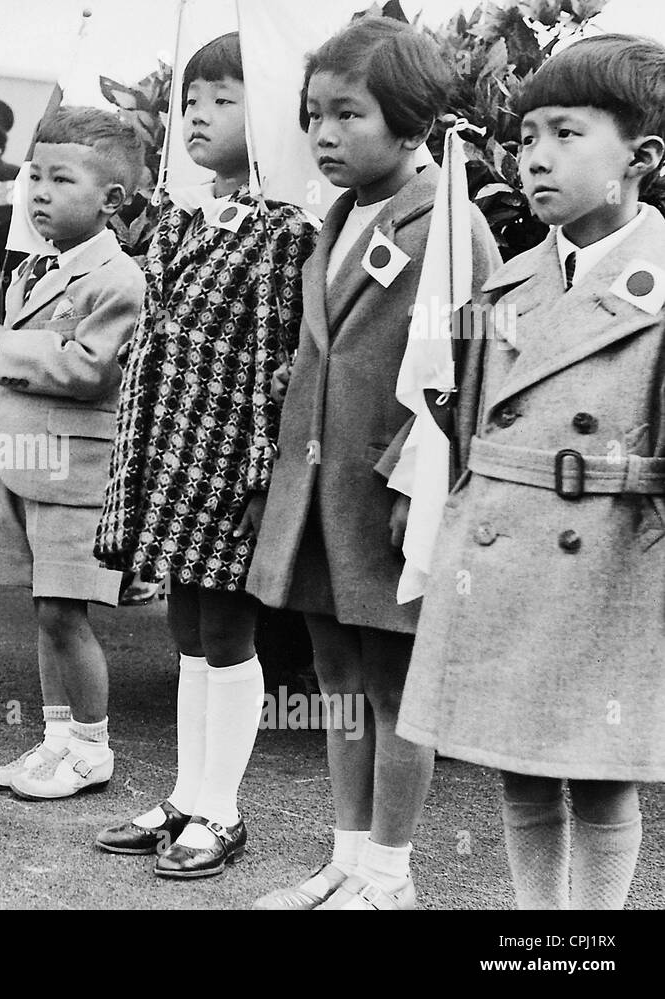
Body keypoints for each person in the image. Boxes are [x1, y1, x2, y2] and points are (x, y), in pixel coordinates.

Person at [397, 34, 665, 911]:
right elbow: (463, 422)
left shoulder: (657, 291)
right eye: (526, 136)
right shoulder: (509, 289)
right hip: (500, 551)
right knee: (515, 767)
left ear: (642, 157)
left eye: (566, 134)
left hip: (618, 559)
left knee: (596, 773)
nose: (535, 157)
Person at [246, 16, 500, 910]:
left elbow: (470, 369)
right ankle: (347, 859)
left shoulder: (452, 222)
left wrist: (409, 477)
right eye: (313, 114)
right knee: (335, 684)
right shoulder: (341, 216)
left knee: (394, 693)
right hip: (317, 492)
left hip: (392, 498)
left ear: (412, 121)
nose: (322, 134)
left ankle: (391, 874)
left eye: (347, 115)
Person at [93, 33, 317, 877]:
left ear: (268, 119)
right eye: (191, 102)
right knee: (185, 629)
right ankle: (188, 794)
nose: (198, 117)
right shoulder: (188, 217)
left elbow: (276, 359)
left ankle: (221, 810)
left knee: (227, 632)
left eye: (224, 102)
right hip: (169, 447)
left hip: (226, 459)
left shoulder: (279, 231)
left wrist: (263, 476)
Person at [0, 106, 144, 799]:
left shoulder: (118, 279)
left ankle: (92, 747)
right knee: (46, 612)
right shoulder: (34, 270)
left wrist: (5, 347)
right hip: (25, 464)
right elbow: (21, 359)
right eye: (34, 175)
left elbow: (90, 368)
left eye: (60, 178)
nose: (37, 191)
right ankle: (56, 740)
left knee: (67, 613)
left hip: (74, 474)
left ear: (111, 200)